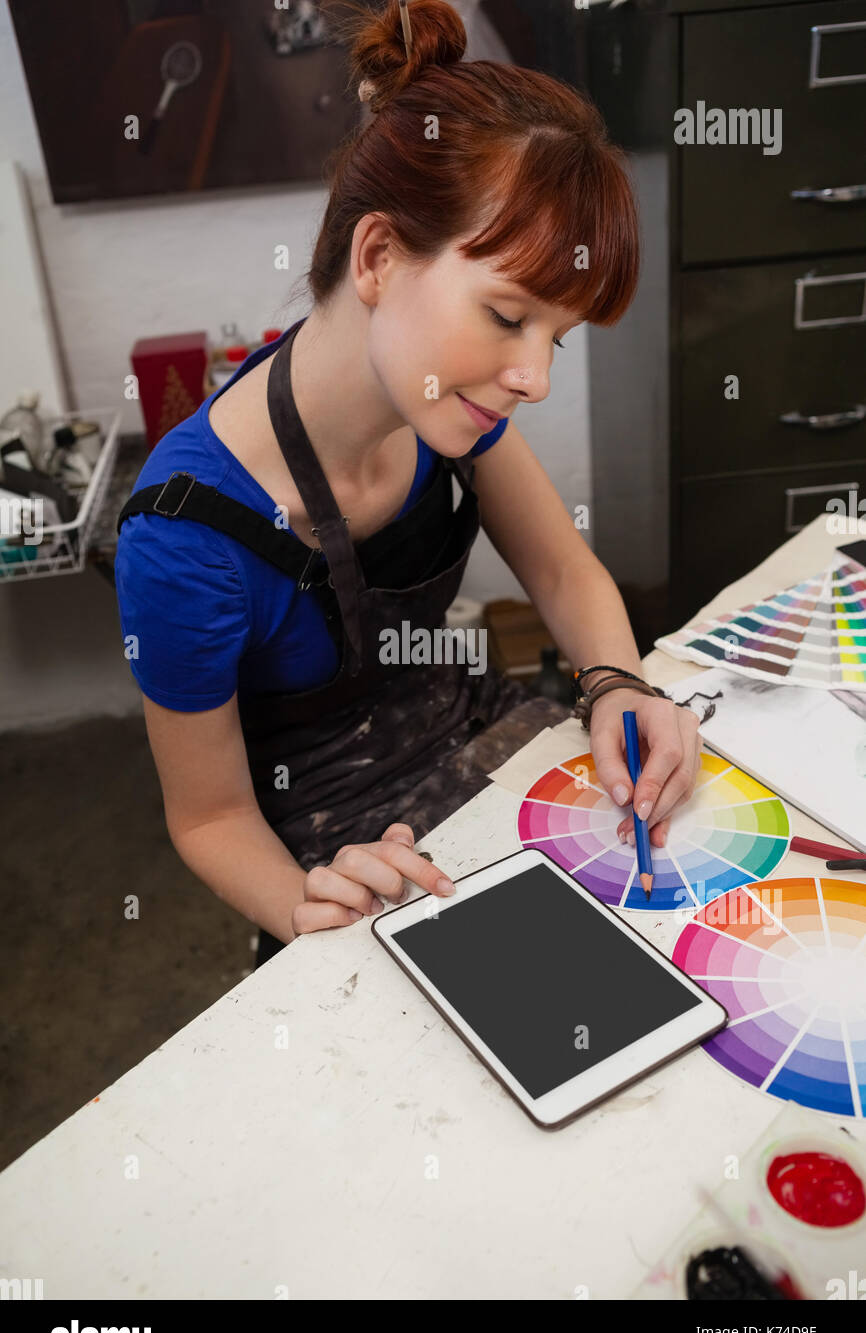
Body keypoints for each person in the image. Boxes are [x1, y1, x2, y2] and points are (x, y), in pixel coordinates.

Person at [115, 0, 702, 964]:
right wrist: (307, 906)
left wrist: (617, 685)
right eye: (508, 316)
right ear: (380, 256)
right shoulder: (186, 540)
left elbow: (562, 572)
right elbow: (210, 819)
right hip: (323, 849)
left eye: (556, 338)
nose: (536, 379)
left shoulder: (441, 402)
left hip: (467, 738)